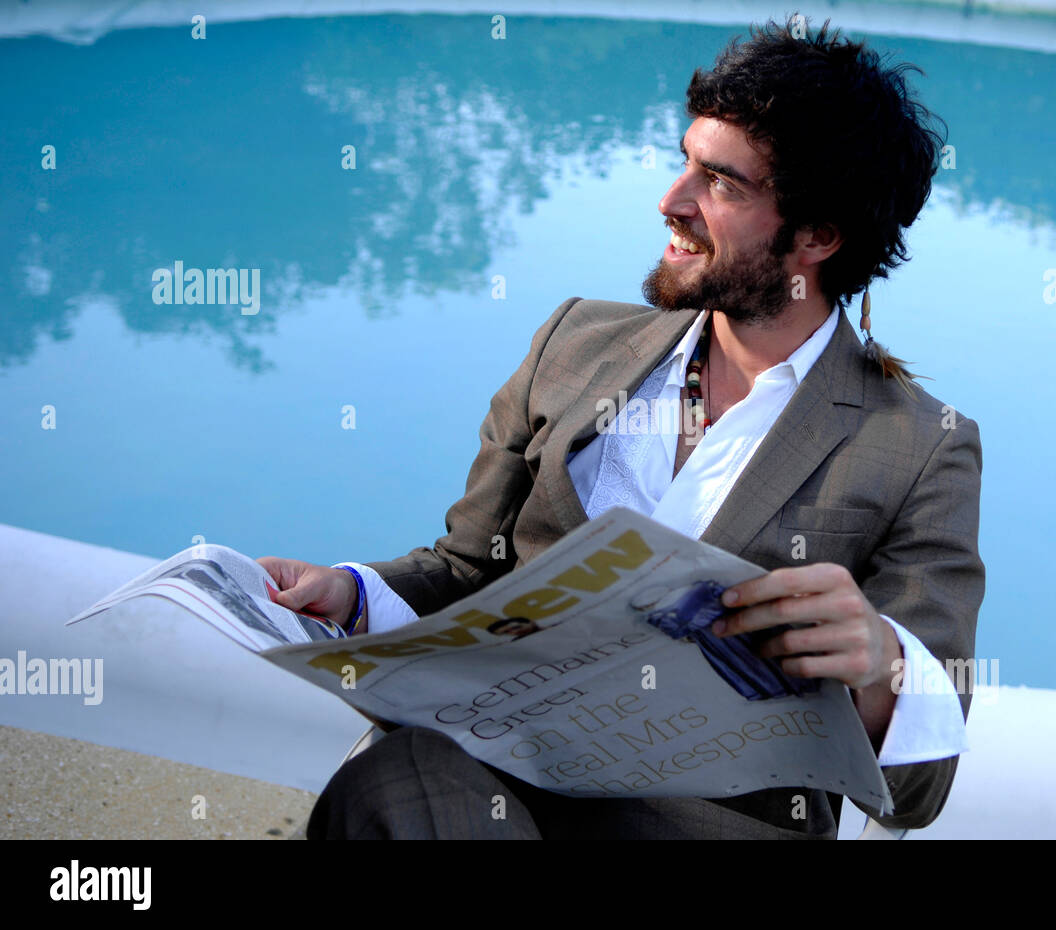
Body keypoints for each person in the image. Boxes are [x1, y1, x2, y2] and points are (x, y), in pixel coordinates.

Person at [258, 17, 984, 840]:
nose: (672, 201)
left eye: (722, 183)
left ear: (817, 235)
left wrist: (880, 664)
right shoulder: (574, 344)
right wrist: (352, 597)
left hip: (707, 819)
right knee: (405, 775)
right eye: (685, 161)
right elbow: (466, 574)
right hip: (501, 769)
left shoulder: (922, 447)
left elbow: (923, 788)